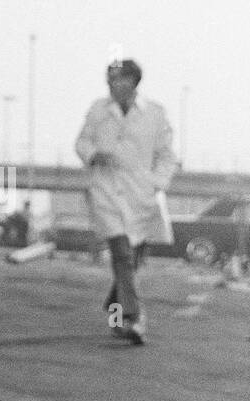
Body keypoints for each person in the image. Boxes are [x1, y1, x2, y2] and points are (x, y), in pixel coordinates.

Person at [74, 59, 177, 345]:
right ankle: (133, 317)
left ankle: (115, 311)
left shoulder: (155, 114)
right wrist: (93, 154)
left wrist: (155, 183)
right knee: (122, 254)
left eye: (117, 79)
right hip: (106, 190)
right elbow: (81, 142)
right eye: (108, 79)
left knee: (134, 258)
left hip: (140, 195)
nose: (111, 84)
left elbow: (167, 156)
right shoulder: (98, 110)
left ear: (133, 81)